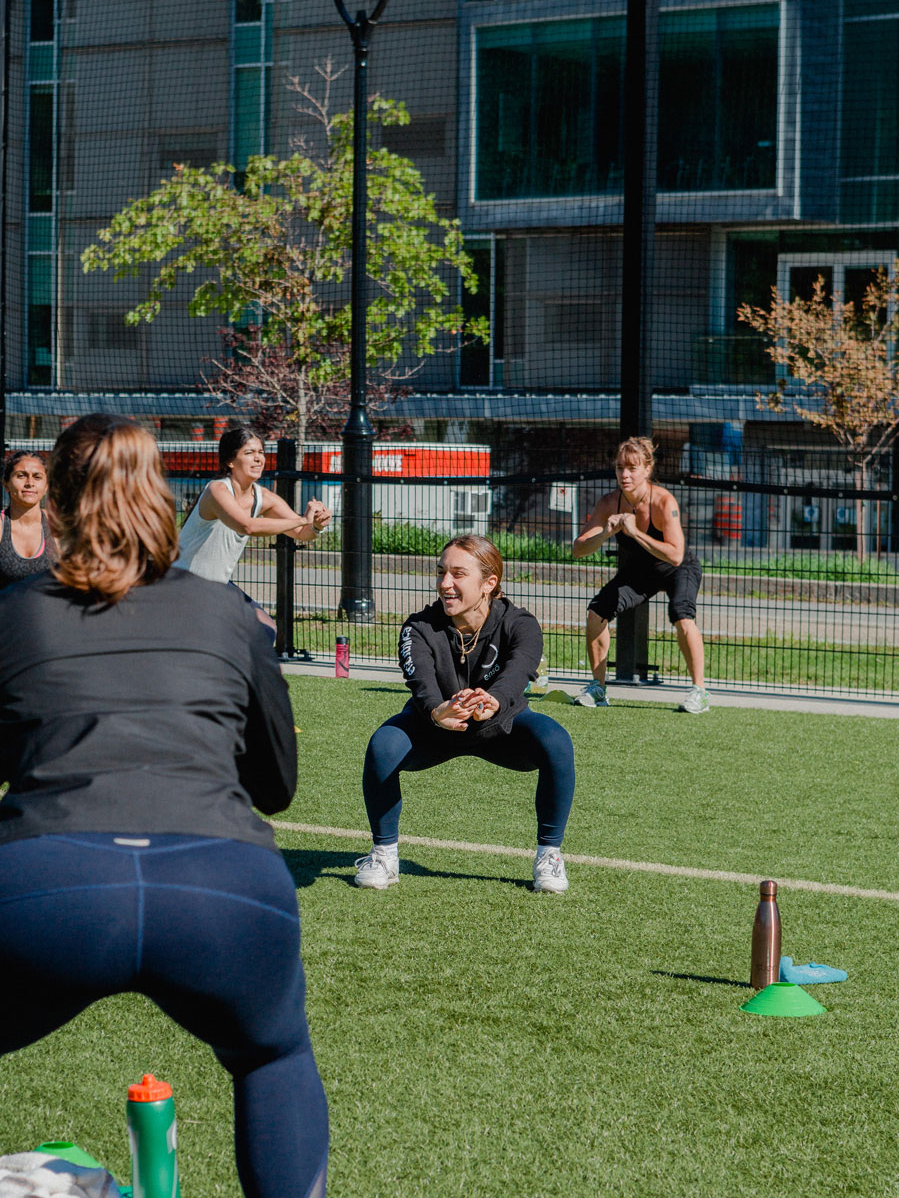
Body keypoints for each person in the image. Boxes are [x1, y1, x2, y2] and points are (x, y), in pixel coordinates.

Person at [0, 414, 329, 1198]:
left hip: (51, 885)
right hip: (222, 884)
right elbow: (277, 787)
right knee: (275, 1056)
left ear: (59, 507)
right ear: (163, 494)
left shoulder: (13, 617)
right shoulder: (229, 616)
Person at [355, 534, 576, 894]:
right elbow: (421, 682)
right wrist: (436, 710)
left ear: (489, 583)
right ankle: (384, 854)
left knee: (556, 741)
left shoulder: (520, 624)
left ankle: (549, 856)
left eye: (458, 574)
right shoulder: (418, 627)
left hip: (502, 727)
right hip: (436, 726)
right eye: (442, 572)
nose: (445, 584)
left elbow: (520, 670)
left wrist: (495, 700)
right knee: (383, 744)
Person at [572, 436, 709, 713]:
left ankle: (700, 691)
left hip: (677, 568)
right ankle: (598, 688)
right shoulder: (610, 502)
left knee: (682, 615)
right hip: (641, 571)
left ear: (647, 469)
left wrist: (634, 532)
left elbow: (675, 555)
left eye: (633, 468)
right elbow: (578, 549)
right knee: (597, 612)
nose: (625, 474)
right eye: (620, 467)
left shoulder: (663, 501)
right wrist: (606, 533)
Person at [175, 426, 332, 633]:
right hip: (182, 585)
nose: (258, 459)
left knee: (265, 629)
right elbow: (247, 525)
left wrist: (316, 525)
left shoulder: (263, 497)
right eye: (249, 453)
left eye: (261, 453)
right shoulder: (217, 490)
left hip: (216, 586)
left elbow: (301, 533)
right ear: (230, 461)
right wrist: (302, 520)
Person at [0, 451, 53, 589]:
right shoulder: (1, 526)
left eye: (37, 477)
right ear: (6, 484)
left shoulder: (57, 526)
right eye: (21, 476)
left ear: (46, 486)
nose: (29, 483)